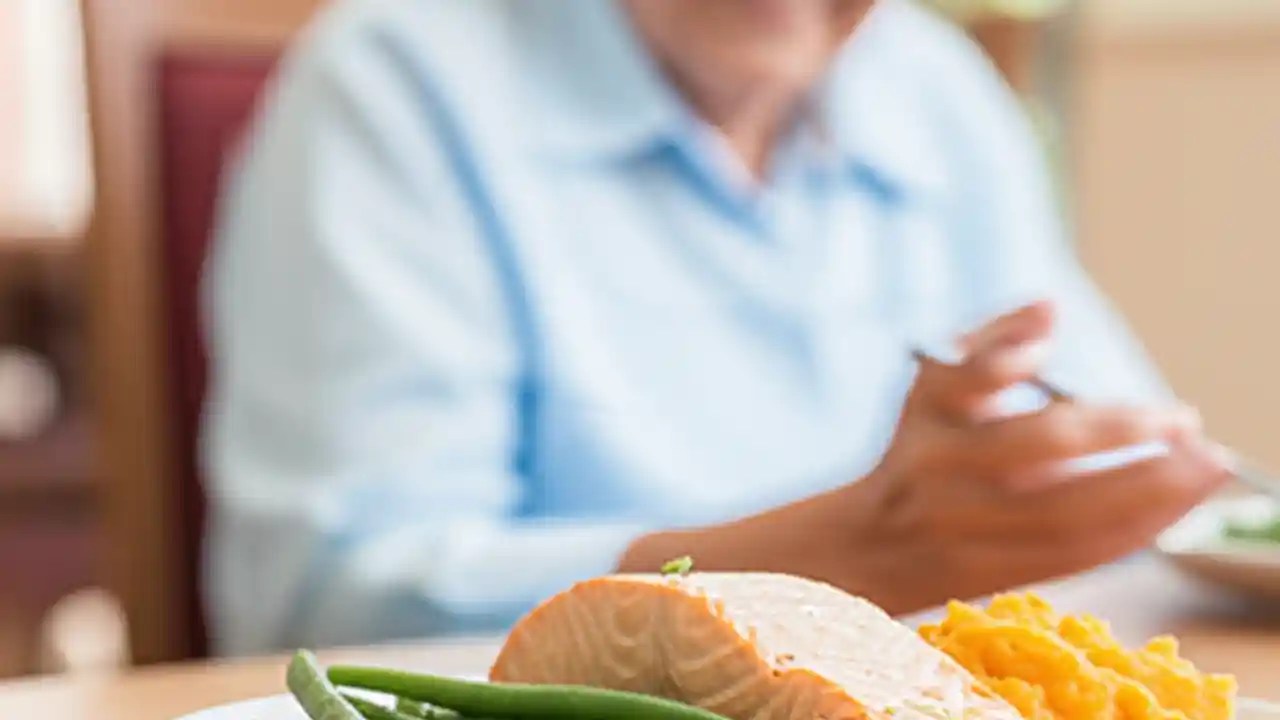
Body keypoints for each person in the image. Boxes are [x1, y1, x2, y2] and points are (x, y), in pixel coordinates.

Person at [203, 0, 1230, 656]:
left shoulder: (933, 86)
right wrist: (858, 550)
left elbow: (1135, 484)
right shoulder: (395, 80)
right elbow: (335, 605)